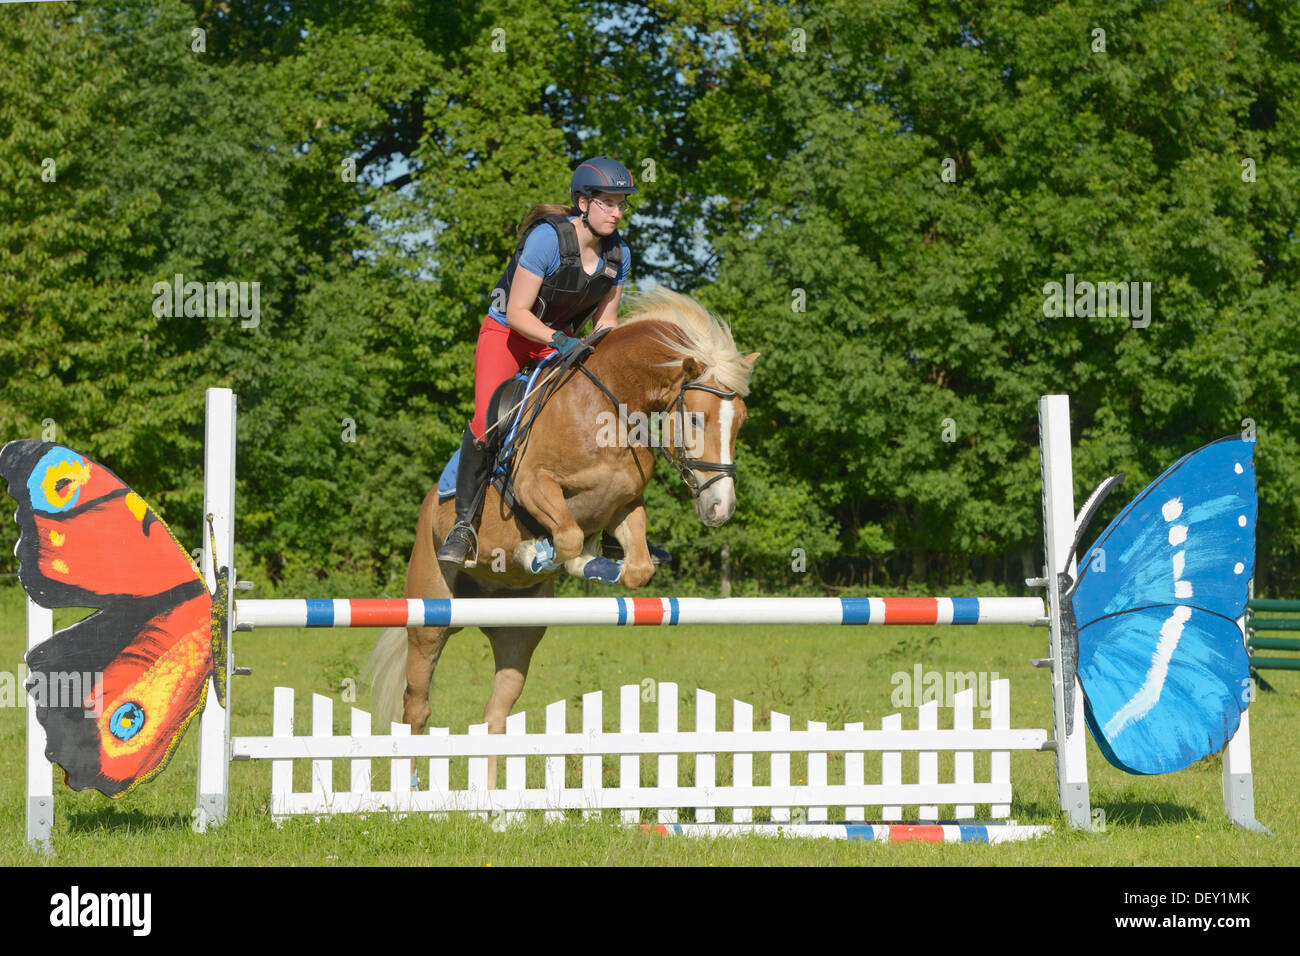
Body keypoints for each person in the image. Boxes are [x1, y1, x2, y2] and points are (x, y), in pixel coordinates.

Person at [436, 156, 636, 566]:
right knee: (487, 420)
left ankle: (611, 528)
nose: (617, 213)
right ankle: (463, 527)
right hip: (509, 336)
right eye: (608, 203)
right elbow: (518, 313)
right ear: (583, 203)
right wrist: (561, 341)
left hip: (559, 343)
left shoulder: (619, 256)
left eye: (621, 205)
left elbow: (608, 323)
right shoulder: (547, 240)